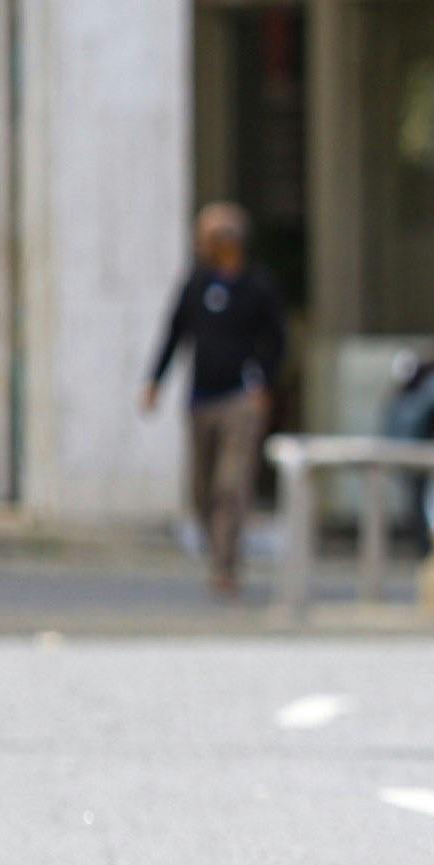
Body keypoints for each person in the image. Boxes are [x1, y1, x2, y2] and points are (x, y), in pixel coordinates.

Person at [142, 203, 286, 600]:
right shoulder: (196, 284)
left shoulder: (258, 286)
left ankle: (226, 565)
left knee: (231, 484)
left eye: (208, 235)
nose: (201, 243)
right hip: (201, 398)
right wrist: (155, 381)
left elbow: (276, 339)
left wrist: (263, 383)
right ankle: (217, 549)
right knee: (203, 489)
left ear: (229, 240)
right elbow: (174, 333)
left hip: (240, 399)